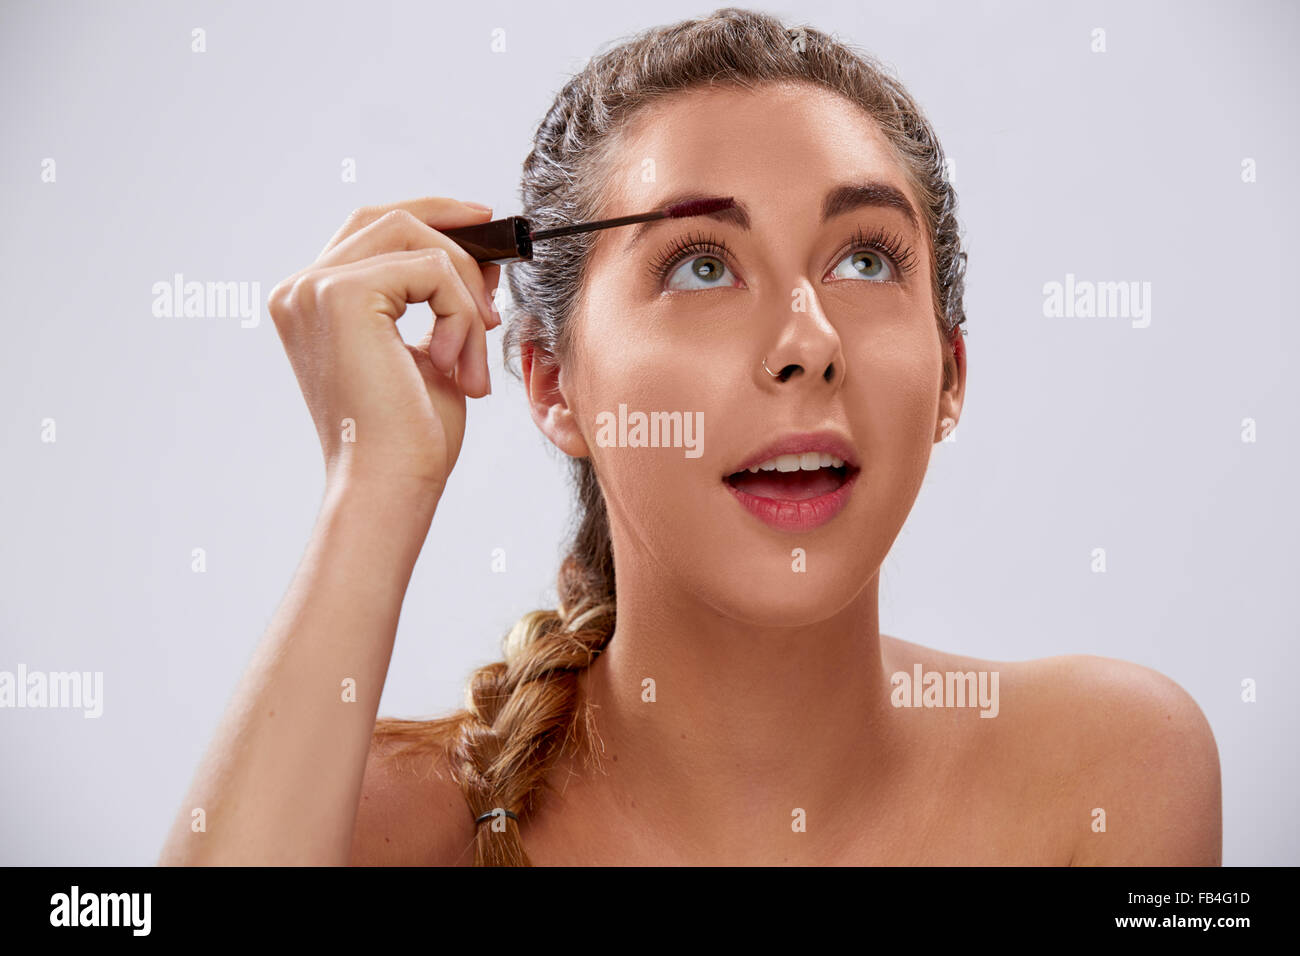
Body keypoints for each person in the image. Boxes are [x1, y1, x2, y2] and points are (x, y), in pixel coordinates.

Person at [158, 8, 1221, 867]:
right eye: (701, 265)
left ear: (950, 372)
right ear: (551, 382)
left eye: (862, 259)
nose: (806, 341)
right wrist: (372, 479)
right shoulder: (377, 825)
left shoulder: (1110, 775)